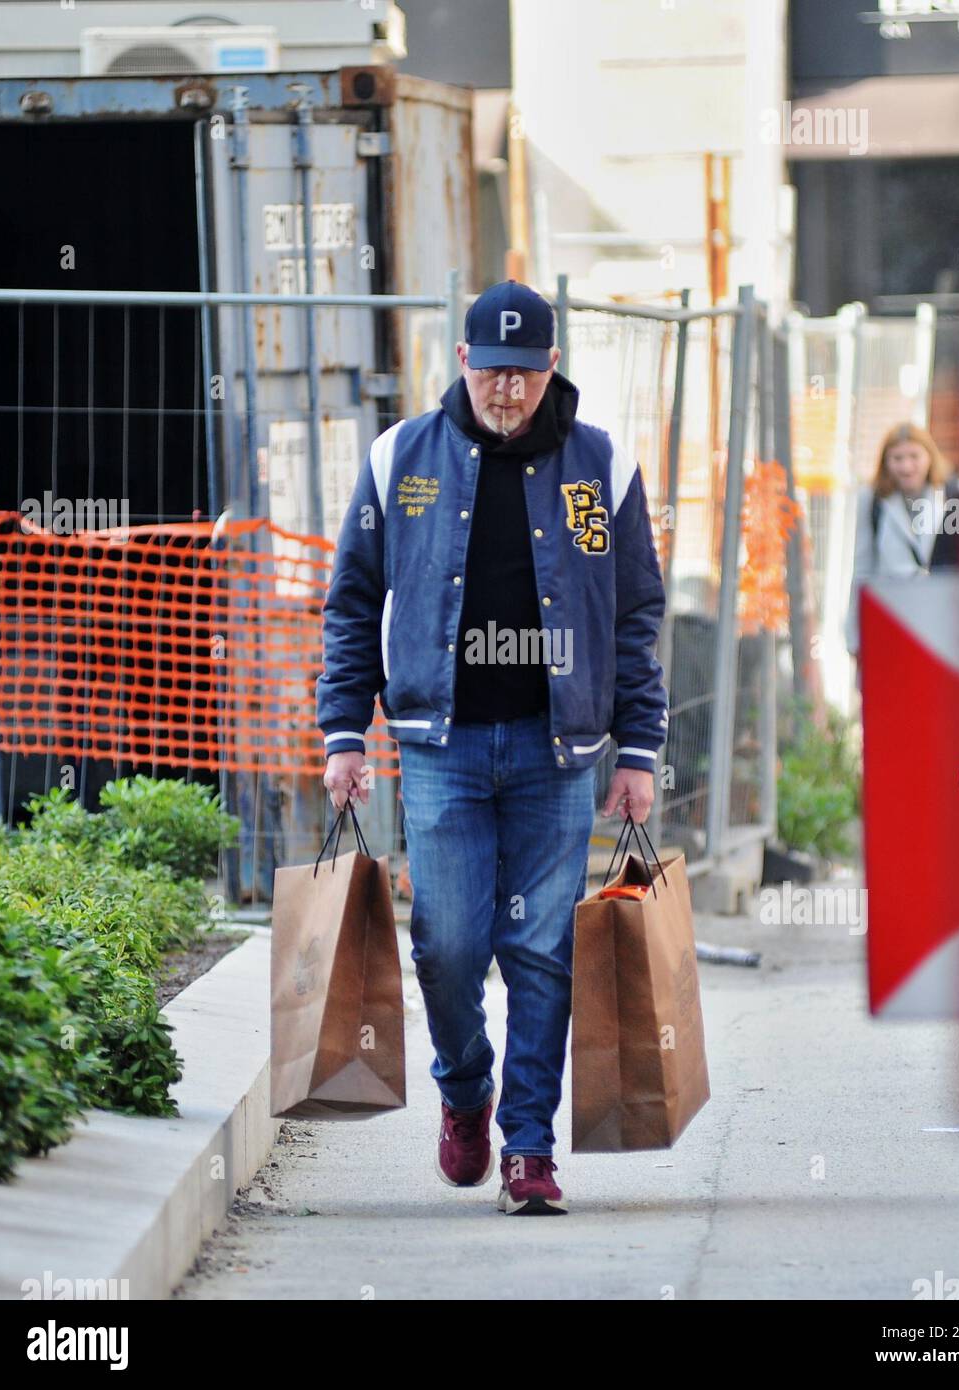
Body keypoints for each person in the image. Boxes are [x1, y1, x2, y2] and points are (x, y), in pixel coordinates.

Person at [316, 280, 669, 1215]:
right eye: (490, 369)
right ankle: (464, 1087)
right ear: (462, 361)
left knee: (542, 949)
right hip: (442, 743)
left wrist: (638, 750)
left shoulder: (601, 467)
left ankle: (527, 1149)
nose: (505, 390)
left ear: (549, 367)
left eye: (523, 371)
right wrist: (343, 731)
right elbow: (352, 600)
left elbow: (635, 614)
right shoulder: (403, 458)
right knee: (448, 944)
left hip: (560, 752)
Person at [844, 421, 959, 673]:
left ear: (929, 457)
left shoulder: (955, 495)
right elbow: (863, 571)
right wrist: (855, 636)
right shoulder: (874, 500)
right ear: (886, 463)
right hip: (894, 621)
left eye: (914, 456)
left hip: (942, 624)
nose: (906, 466)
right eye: (897, 458)